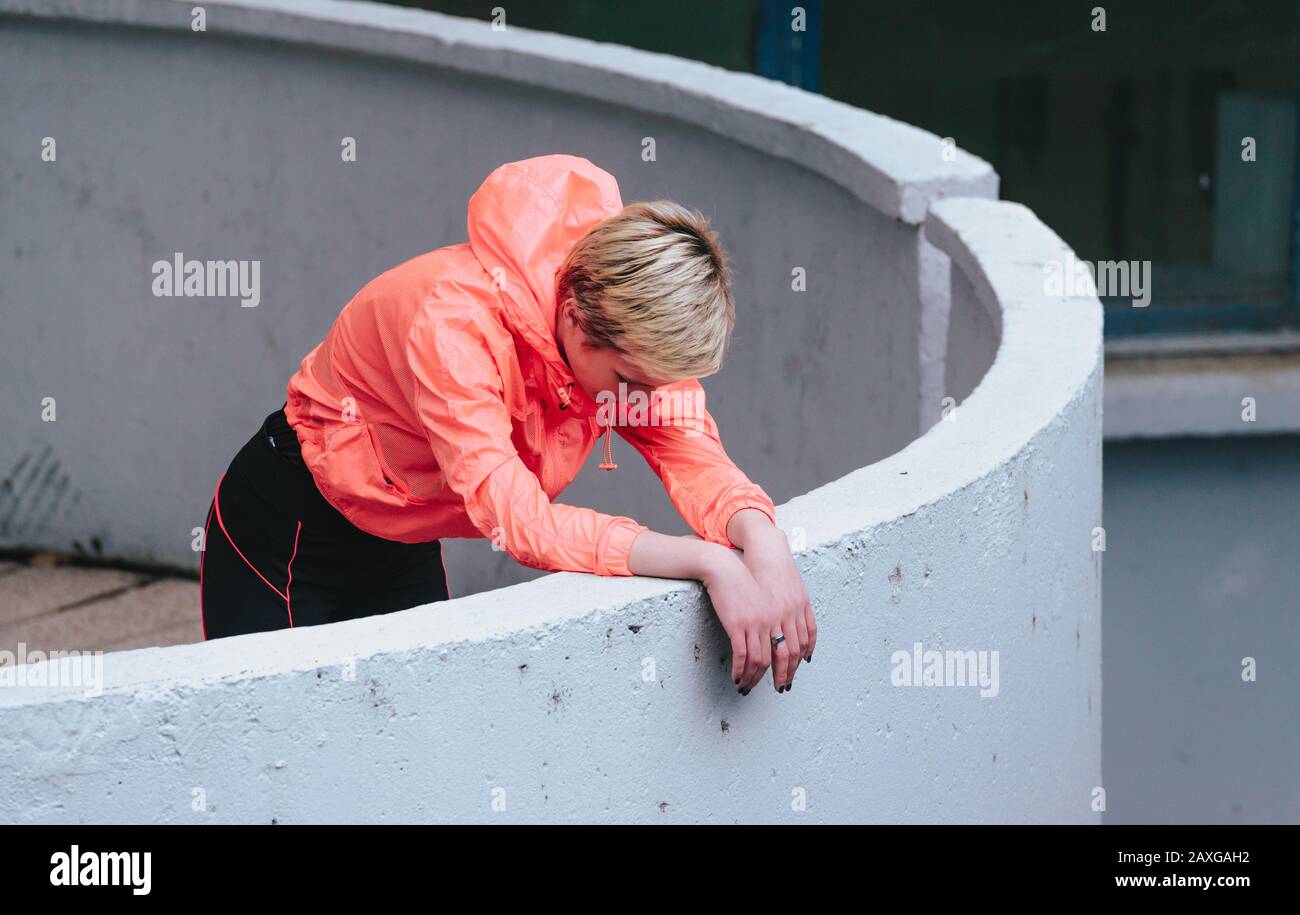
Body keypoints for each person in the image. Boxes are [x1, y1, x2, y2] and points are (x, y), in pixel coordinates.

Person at [199, 154, 815, 695]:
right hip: (288, 525)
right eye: (633, 384)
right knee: (277, 758)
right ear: (573, 318)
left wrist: (764, 541)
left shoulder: (629, 325)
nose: (648, 401)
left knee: (414, 753)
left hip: (400, 538)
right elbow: (521, 523)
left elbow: (691, 451)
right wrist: (708, 562)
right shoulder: (455, 326)